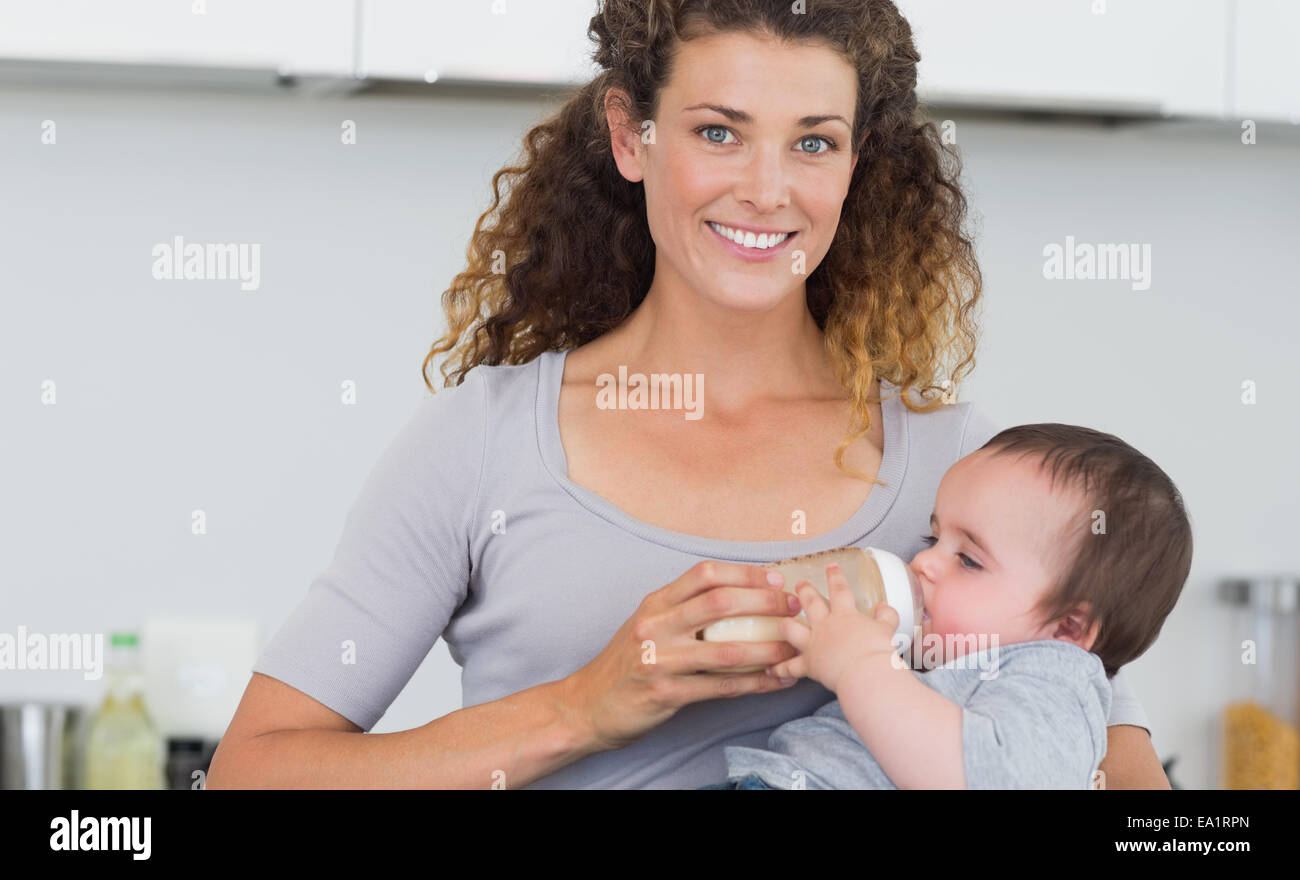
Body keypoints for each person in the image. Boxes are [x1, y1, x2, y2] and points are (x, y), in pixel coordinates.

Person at [207, 0, 1171, 789]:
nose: (766, 190)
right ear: (632, 136)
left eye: (813, 143)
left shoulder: (967, 476)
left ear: (856, 162)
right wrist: (583, 705)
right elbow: (255, 773)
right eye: (719, 131)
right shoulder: (486, 441)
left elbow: (1118, 776)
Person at [699, 423, 1193, 789]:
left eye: (969, 560)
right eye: (932, 537)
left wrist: (859, 667)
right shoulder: (961, 656)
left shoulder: (1051, 685)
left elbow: (982, 780)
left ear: (1067, 627)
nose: (924, 562)